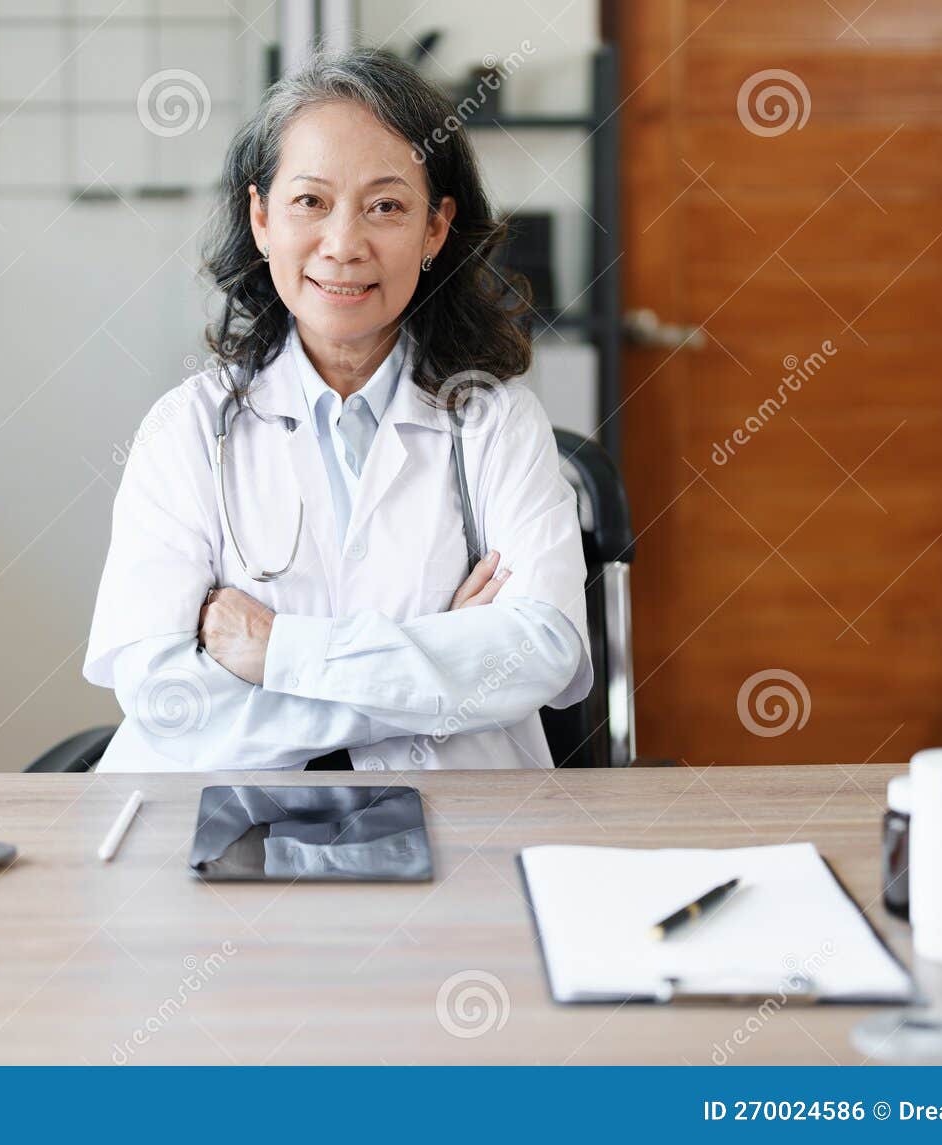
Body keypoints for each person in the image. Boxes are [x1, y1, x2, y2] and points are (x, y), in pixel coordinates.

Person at [83, 49, 591, 772]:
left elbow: (542, 650)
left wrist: (279, 653)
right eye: (310, 202)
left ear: (435, 230)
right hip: (221, 832)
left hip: (463, 831)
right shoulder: (187, 428)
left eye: (386, 206)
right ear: (261, 219)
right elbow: (165, 697)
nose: (345, 245)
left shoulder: (495, 421)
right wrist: (431, 662)